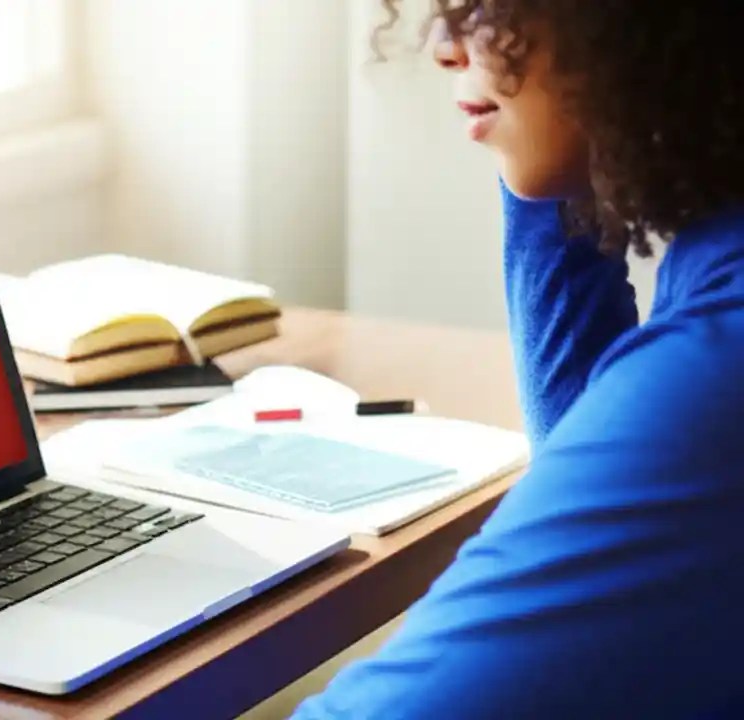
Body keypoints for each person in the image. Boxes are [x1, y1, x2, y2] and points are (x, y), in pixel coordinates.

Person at [293, 2, 744, 717]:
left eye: (490, 8)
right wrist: (567, 150)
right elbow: (581, 445)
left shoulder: (713, 377)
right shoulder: (716, 261)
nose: (444, 46)